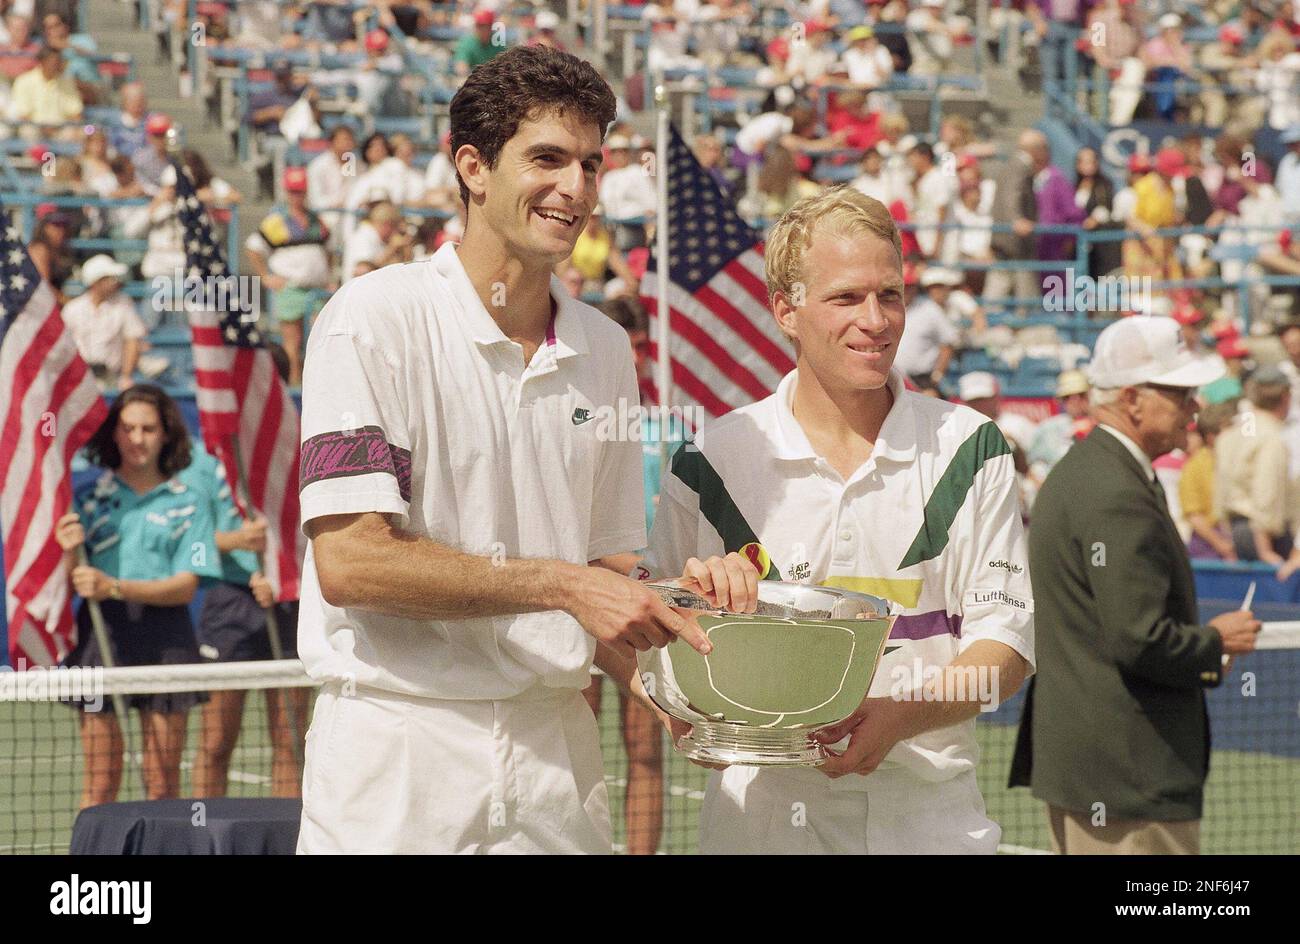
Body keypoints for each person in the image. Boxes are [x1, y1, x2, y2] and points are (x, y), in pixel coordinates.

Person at [293, 45, 713, 855]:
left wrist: (697, 680)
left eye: (591, 165)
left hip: (557, 753)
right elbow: (352, 564)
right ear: (473, 168)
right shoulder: (370, 316)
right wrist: (562, 587)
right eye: (548, 159)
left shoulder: (605, 346)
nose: (577, 189)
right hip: (396, 760)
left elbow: (607, 575)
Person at [644, 186, 1033, 854]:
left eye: (890, 295)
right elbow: (645, 637)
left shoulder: (972, 447)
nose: (876, 320)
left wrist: (900, 717)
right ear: (785, 310)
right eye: (846, 298)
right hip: (755, 830)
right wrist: (684, 694)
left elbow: (1008, 648)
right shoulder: (713, 459)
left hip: (931, 826)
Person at [1010, 316, 1261, 854]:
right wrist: (1217, 643)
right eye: (1180, 393)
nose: (1194, 406)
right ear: (1133, 399)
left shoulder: (1086, 472)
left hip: (1097, 769)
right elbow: (1138, 637)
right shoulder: (1115, 490)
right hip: (1127, 778)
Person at [53, 385, 221, 808]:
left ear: (166, 434)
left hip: (168, 641)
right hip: (99, 636)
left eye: (148, 428)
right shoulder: (90, 502)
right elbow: (71, 580)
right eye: (127, 428)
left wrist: (113, 586)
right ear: (114, 435)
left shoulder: (193, 503)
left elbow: (187, 584)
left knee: (162, 785)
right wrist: (68, 551)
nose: (137, 438)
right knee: (100, 784)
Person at [187, 373, 309, 799]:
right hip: (230, 606)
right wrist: (240, 543)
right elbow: (189, 547)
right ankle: (203, 839)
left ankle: (286, 841)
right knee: (216, 742)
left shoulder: (295, 450)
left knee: (290, 741)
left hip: (289, 603)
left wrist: (280, 574)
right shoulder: (202, 463)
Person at [245, 167, 333, 386]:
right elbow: (253, 248)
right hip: (290, 287)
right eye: (293, 191)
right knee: (292, 342)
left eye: (300, 191)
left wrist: (328, 276)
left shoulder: (316, 220)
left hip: (316, 287)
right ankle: (294, 387)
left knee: (319, 338)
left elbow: (329, 249)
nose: (297, 196)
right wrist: (266, 276)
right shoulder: (276, 220)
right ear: (287, 192)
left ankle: (317, 384)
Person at [1214, 366, 1300, 576]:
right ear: (1285, 397)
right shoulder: (1270, 438)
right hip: (1265, 538)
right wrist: (1266, 550)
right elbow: (1266, 492)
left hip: (1235, 532)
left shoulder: (1231, 433)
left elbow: (1220, 488)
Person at [60, 254, 145, 391]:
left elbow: (132, 341)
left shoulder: (123, 304)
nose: (114, 282)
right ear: (96, 282)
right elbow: (63, 345)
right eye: (108, 278)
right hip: (78, 378)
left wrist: (126, 376)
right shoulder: (73, 309)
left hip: (111, 378)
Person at [1179, 400, 1238, 561]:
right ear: (1212, 437)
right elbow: (1194, 515)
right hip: (1208, 549)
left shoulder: (1238, 461)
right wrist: (1223, 546)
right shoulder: (1195, 466)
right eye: (1230, 429)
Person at [985, 131, 1039, 304]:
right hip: (1014, 239)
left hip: (1004, 237)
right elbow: (1012, 194)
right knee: (1022, 278)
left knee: (1001, 279)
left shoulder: (1011, 164)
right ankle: (1027, 316)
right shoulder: (1021, 165)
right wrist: (1016, 219)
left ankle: (990, 314)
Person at [1027, 368, 1093, 482]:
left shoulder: (1104, 425)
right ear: (1060, 400)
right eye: (1067, 397)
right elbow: (1035, 468)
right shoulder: (1047, 428)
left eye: (1081, 395)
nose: (1075, 400)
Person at [453, 8, 502, 77]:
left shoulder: (498, 42)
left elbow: (504, 65)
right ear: (475, 26)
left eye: (487, 25)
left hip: (493, 80)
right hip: (472, 80)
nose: (483, 29)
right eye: (480, 25)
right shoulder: (467, 42)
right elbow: (461, 67)